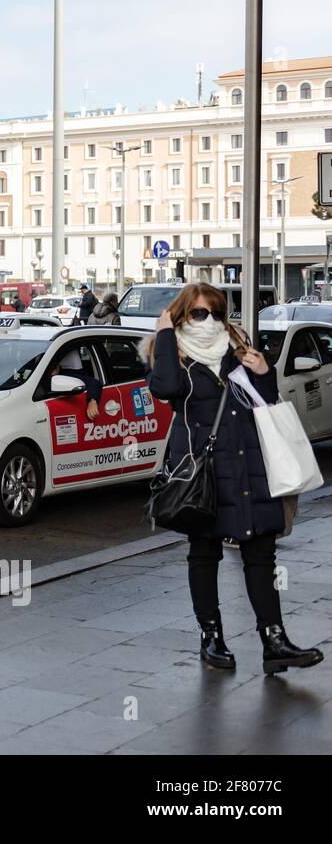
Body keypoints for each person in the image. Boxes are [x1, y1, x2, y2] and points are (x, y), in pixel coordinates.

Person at [147, 282, 323, 675]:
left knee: (261, 550)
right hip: (204, 471)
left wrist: (264, 373)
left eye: (214, 313)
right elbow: (166, 390)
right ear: (181, 316)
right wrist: (162, 333)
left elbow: (263, 404)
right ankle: (212, 637)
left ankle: (274, 641)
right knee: (204, 551)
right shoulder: (172, 353)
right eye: (197, 313)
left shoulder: (236, 348)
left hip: (249, 463)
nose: (207, 321)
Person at [47, 350, 102, 421]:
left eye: (54, 364)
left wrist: (92, 400)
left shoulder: (67, 375)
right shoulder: (38, 376)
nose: (52, 367)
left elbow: (93, 383)